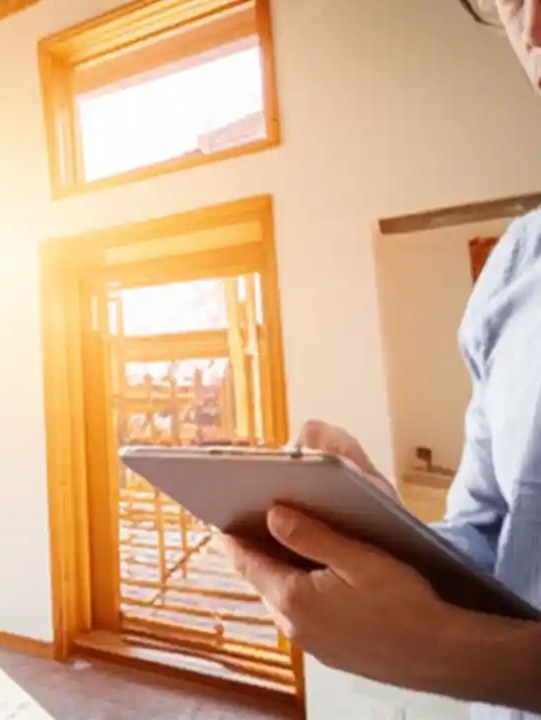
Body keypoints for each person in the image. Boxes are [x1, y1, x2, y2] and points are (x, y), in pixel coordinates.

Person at [219, 1, 541, 717]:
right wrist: (391, 536)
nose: (534, 28)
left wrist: (469, 662)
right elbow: (494, 541)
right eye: (510, 0)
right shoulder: (515, 268)